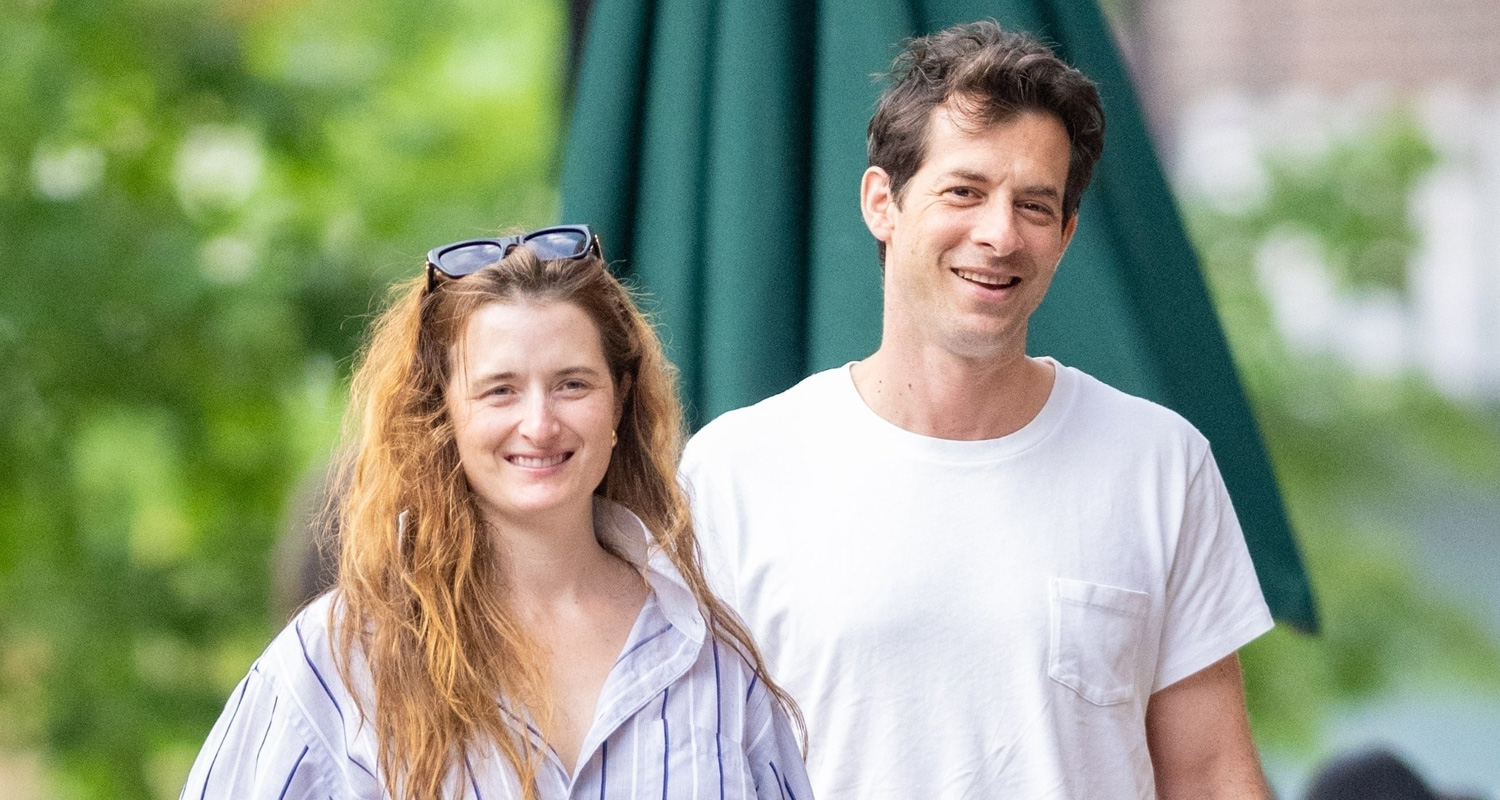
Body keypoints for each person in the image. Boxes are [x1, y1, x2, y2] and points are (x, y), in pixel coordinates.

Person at [680, 22, 1274, 800]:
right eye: (964, 191)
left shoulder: (1160, 462)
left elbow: (1212, 774)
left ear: (1064, 236)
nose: (998, 235)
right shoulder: (736, 469)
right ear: (881, 203)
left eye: (1034, 205)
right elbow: (689, 766)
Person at [182, 227, 812, 800]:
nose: (539, 424)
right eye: (499, 390)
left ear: (620, 402)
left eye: (572, 383)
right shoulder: (341, 659)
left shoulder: (709, 655)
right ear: (444, 413)